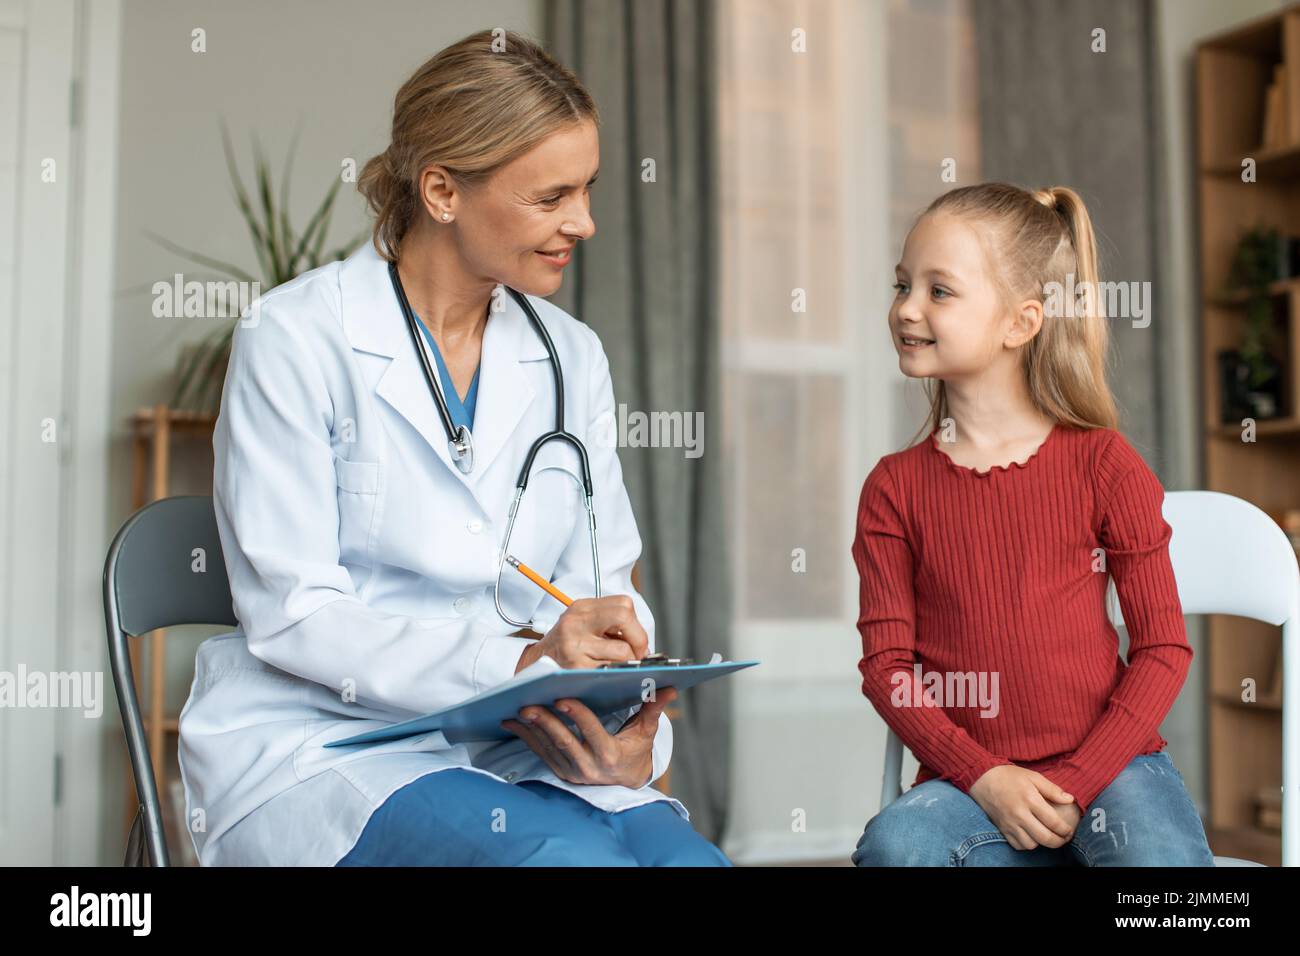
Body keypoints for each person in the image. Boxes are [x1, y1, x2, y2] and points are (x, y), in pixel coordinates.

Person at [177, 28, 730, 867]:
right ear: (441, 190)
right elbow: (296, 613)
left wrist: (629, 731)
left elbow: (604, 588)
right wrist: (516, 659)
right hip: (333, 745)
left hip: (522, 738)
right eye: (552, 197)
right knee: (570, 862)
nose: (583, 222)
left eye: (587, 189)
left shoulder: (569, 354)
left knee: (689, 863)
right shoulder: (295, 338)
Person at [849, 182, 1214, 866]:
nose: (906, 309)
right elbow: (887, 668)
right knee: (898, 847)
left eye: (939, 290)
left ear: (1020, 323)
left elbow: (1164, 648)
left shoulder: (1104, 463)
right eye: (902, 285)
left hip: (1115, 767)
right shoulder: (893, 489)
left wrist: (1077, 781)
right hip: (970, 784)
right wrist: (985, 776)